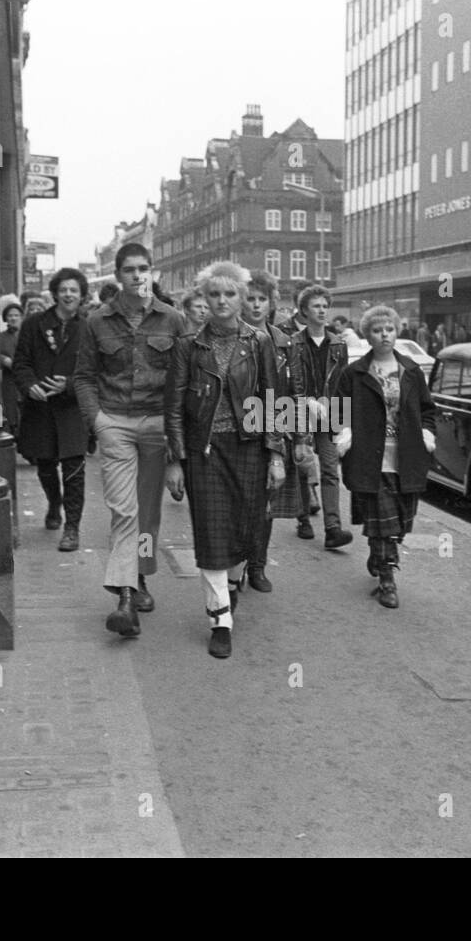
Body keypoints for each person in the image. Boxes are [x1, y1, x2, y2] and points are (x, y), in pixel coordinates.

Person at [165, 261, 286, 659]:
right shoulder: (188, 346)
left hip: (249, 447)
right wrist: (176, 460)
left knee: (245, 528)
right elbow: (175, 407)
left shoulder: (259, 343)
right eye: (213, 294)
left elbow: (273, 400)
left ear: (240, 297)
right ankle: (220, 617)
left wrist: (276, 454)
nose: (221, 301)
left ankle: (234, 585)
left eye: (229, 294)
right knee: (212, 532)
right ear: (204, 297)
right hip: (205, 451)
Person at [74, 243, 193, 636]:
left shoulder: (173, 321)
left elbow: (185, 384)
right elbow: (84, 376)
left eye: (144, 269)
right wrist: (98, 421)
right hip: (117, 424)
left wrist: (177, 453)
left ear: (152, 272)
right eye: (129, 270)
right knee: (123, 510)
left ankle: (140, 576)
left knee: (147, 514)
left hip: (158, 424)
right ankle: (125, 596)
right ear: (118, 276)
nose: (137, 276)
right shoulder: (97, 321)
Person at [334, 305, 436, 609]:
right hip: (369, 456)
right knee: (385, 521)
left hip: (406, 458)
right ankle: (387, 579)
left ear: (397, 331)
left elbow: (428, 410)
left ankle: (378, 553)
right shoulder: (354, 373)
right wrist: (345, 436)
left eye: (389, 329)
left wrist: (427, 435)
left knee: (400, 522)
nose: (384, 335)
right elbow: (339, 411)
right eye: (378, 331)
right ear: (368, 336)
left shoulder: (412, 371)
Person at [12, 268, 91, 551]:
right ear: (55, 293)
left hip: (72, 411)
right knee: (45, 467)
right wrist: (29, 384)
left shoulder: (88, 328)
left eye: (74, 290)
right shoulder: (34, 324)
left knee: (74, 470)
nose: (68, 294)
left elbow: (96, 371)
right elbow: (20, 362)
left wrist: (69, 386)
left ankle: (72, 528)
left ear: (82, 295)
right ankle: (54, 502)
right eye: (64, 289)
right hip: (40, 408)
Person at [240, 270, 308, 590]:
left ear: (272, 303)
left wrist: (299, 439)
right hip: (237, 429)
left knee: (265, 503)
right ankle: (235, 565)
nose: (255, 305)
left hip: (272, 428)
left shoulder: (285, 342)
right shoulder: (230, 337)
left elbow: (295, 390)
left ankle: (257, 565)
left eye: (261, 299)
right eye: (250, 298)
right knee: (237, 502)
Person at [292, 285, 354, 550]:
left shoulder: (339, 344)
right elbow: (292, 381)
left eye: (325, 306)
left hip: (330, 414)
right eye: (316, 306)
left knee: (330, 470)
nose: (322, 311)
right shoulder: (294, 342)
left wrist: (344, 420)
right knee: (304, 466)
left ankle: (332, 528)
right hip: (301, 413)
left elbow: (343, 382)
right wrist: (306, 401)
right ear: (304, 311)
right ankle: (304, 518)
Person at [0, 300, 23, 434]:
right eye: (10, 316)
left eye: (16, 315)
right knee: (8, 406)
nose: (13, 318)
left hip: (25, 377)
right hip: (9, 379)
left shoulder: (27, 335)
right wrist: (3, 360)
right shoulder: (0, 337)